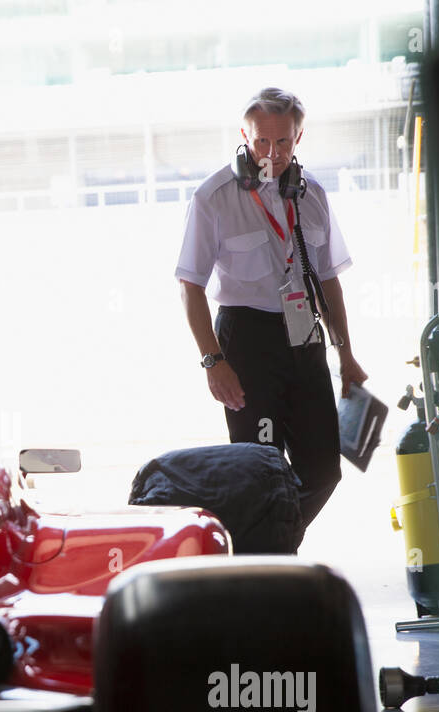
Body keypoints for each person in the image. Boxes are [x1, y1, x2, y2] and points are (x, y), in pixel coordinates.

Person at [175, 87, 368, 529]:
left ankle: (273, 542)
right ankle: (268, 557)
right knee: (260, 468)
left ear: (298, 139)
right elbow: (190, 285)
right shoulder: (213, 197)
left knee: (324, 469)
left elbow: (328, 280)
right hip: (246, 339)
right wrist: (213, 360)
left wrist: (346, 354)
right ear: (244, 135)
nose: (272, 152)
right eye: (262, 141)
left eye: (283, 142)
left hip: (305, 337)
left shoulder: (313, 194)